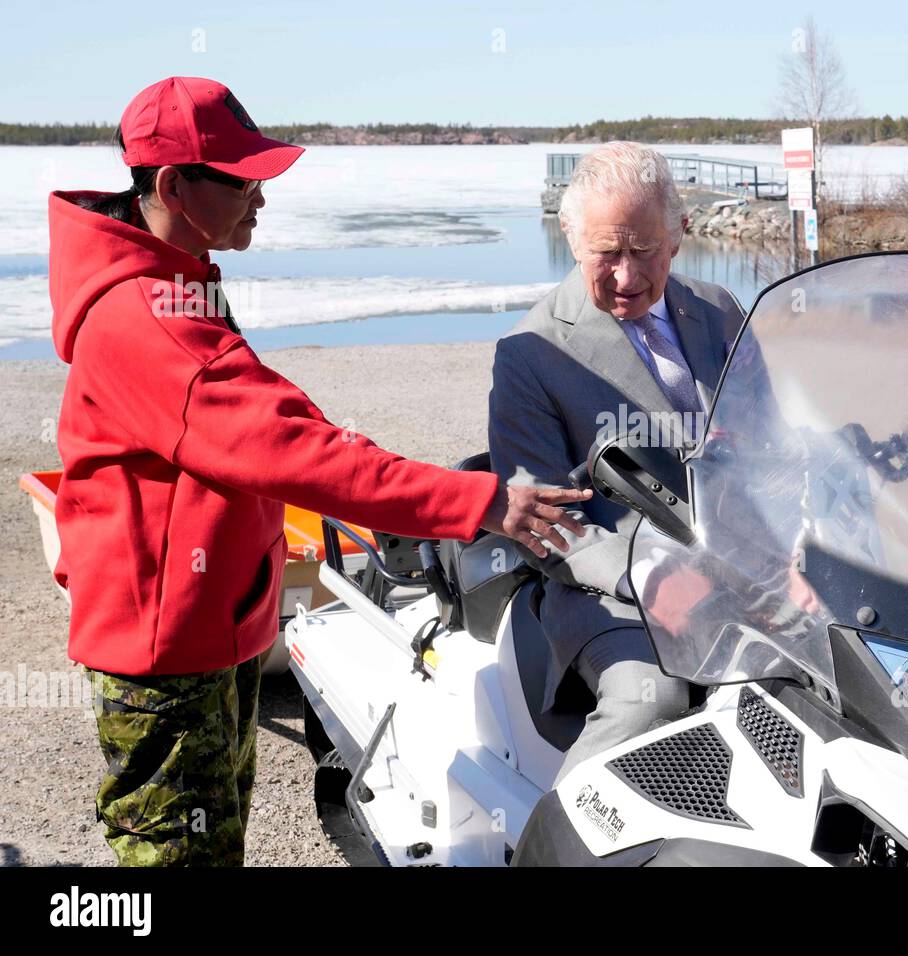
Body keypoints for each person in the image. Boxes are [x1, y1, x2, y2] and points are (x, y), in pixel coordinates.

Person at [49, 76, 589, 866]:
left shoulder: (177, 277)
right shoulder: (145, 317)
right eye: (243, 180)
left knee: (212, 835)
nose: (261, 199)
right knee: (175, 855)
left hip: (203, 626)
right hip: (164, 653)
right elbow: (290, 448)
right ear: (170, 186)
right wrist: (480, 502)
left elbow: (265, 438)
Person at [488, 142, 746, 782]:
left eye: (644, 251)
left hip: (744, 569)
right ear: (571, 239)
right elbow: (544, 523)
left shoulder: (719, 311)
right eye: (607, 254)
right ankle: (561, 840)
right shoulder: (529, 353)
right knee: (650, 701)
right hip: (610, 593)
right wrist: (655, 579)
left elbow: (770, 446)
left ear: (678, 237)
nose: (627, 276)